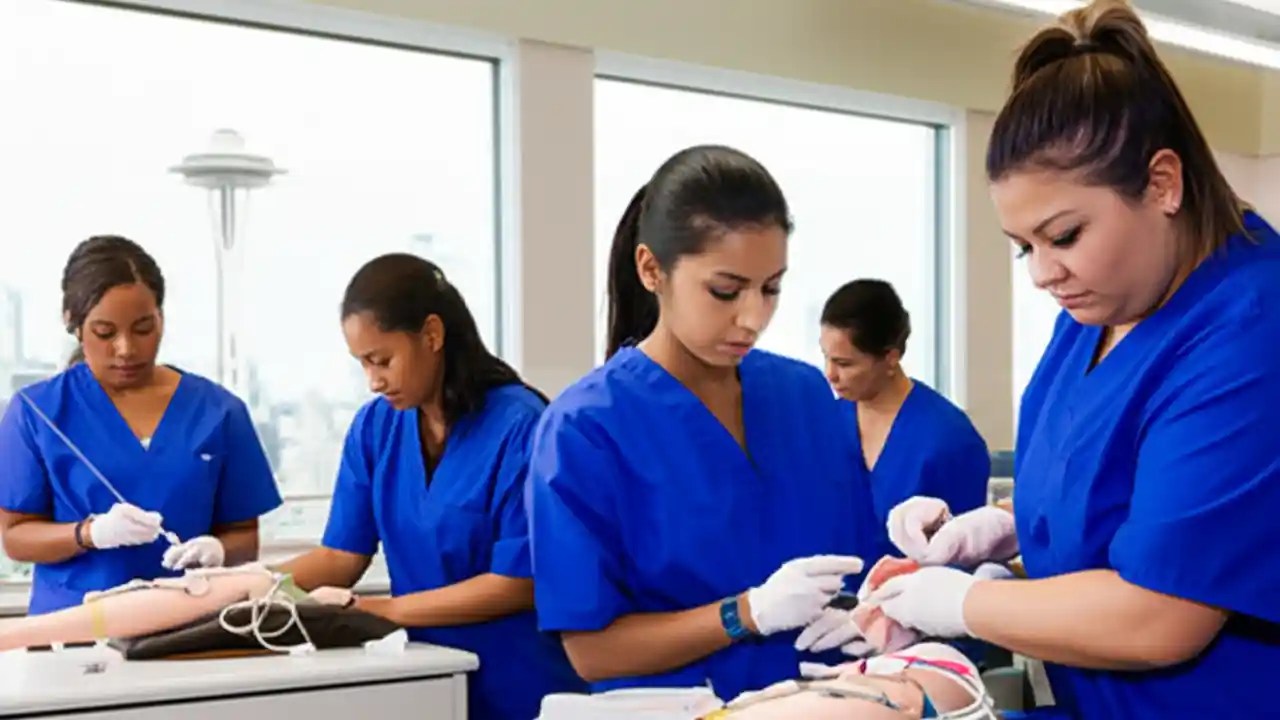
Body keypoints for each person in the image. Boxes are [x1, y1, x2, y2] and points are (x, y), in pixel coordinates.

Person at [800, 1, 1280, 716]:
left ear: (1162, 184)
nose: (1043, 273)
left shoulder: (1249, 332)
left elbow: (1161, 614)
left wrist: (969, 603)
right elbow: (1121, 484)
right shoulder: (1099, 303)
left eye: (1064, 234)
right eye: (1025, 246)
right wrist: (1005, 530)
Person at [526, 144, 874, 703]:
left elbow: (854, 564)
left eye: (772, 288)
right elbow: (592, 649)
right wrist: (746, 614)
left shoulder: (804, 396)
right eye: (725, 291)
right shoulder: (586, 428)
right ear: (651, 270)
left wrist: (874, 611)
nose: (753, 317)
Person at [278, 254, 584, 720]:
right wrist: (251, 591)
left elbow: (518, 584)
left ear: (433, 335)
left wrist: (382, 611)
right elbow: (341, 556)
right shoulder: (376, 429)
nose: (373, 381)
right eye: (362, 364)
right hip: (426, 681)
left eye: (382, 360)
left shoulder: (521, 426)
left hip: (519, 685)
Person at [0, 235, 282, 615]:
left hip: (189, 630)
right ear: (73, 322)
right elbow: (16, 538)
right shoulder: (36, 412)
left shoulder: (219, 412)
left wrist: (218, 551)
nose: (126, 349)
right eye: (105, 332)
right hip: (72, 633)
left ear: (162, 318)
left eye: (143, 328)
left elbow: (244, 537)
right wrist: (90, 533)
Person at [817, 279, 989, 561]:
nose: (830, 374)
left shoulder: (949, 440)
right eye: (826, 357)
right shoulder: (826, 424)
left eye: (845, 363)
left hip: (913, 600)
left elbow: (962, 559)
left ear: (890, 357)